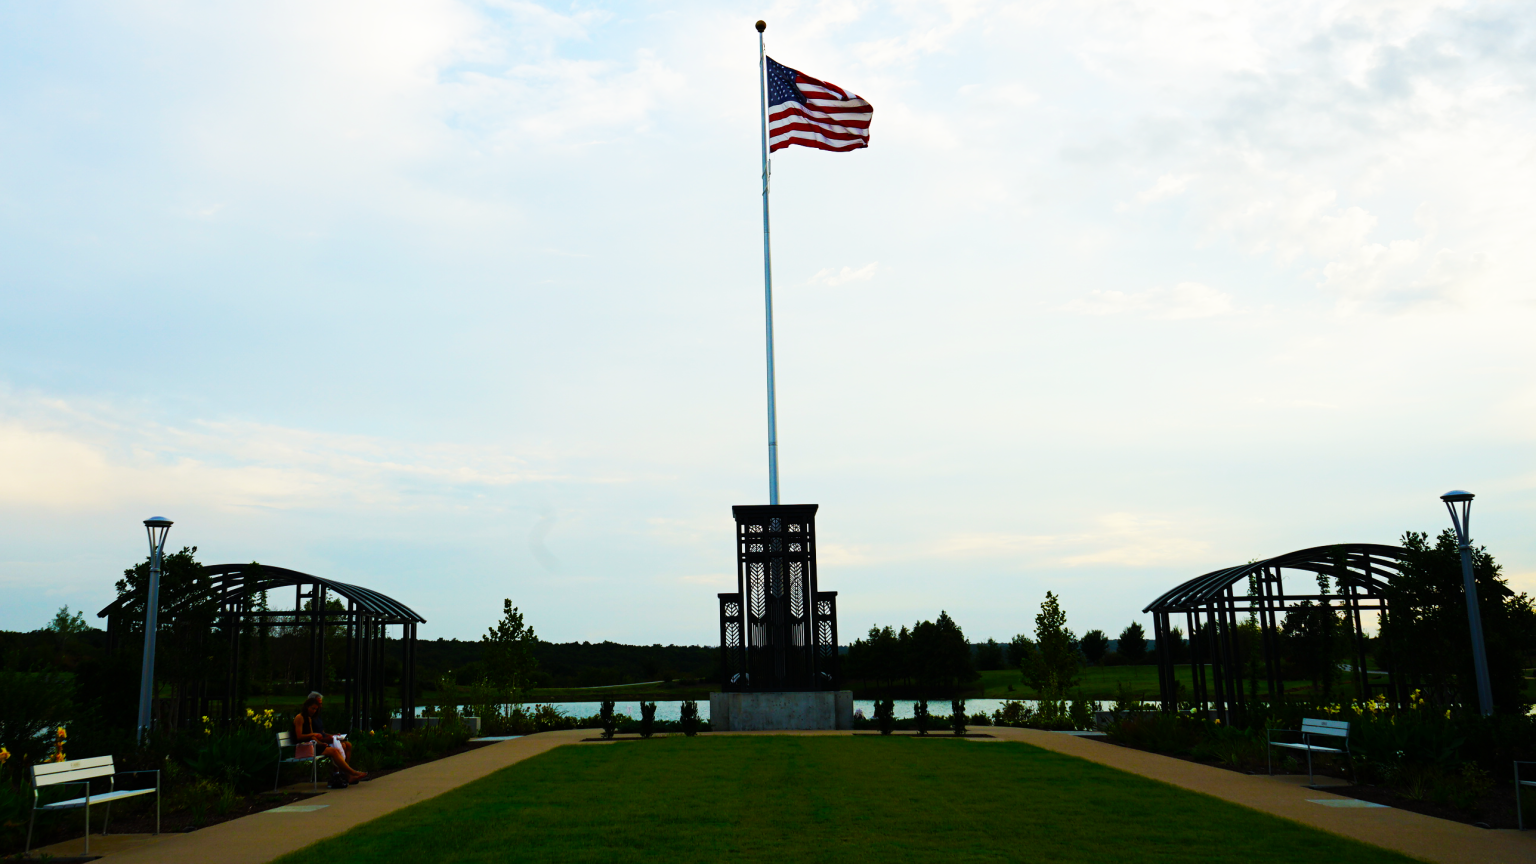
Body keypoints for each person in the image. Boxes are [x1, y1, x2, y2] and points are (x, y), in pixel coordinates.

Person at [294, 692, 367, 784]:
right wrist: (317, 737)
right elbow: (299, 736)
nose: (315, 710)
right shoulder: (299, 717)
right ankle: (350, 773)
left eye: (316, 709)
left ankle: (347, 773)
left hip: (313, 744)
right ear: (307, 706)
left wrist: (321, 742)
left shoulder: (309, 718)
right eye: (313, 708)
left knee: (339, 748)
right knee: (335, 751)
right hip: (305, 747)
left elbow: (313, 735)